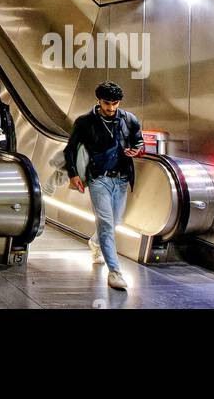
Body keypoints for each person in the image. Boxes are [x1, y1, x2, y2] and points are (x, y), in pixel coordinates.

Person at [63, 81, 145, 292]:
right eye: (107, 103)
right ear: (99, 101)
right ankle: (115, 272)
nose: (111, 108)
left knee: (115, 221)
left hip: (122, 179)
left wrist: (136, 151)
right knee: (107, 224)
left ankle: (95, 241)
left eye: (115, 103)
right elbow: (70, 150)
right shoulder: (84, 122)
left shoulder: (129, 120)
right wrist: (73, 174)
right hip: (98, 179)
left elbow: (139, 142)